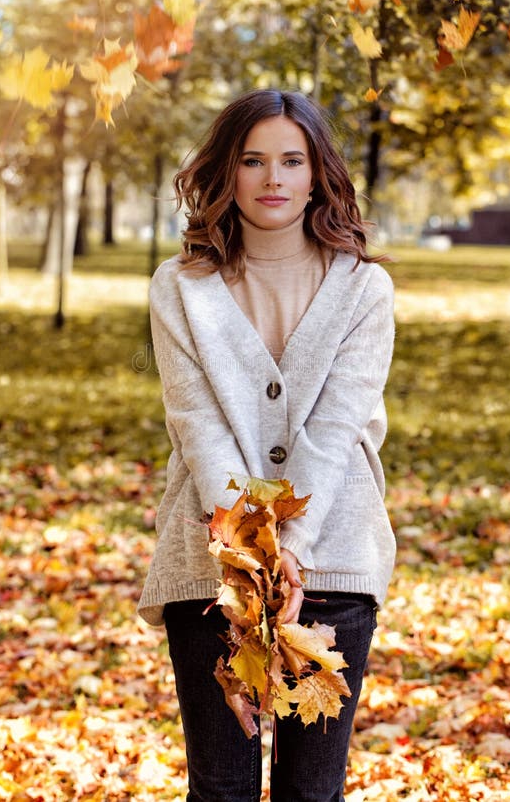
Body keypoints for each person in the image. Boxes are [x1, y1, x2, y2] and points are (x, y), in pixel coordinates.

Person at [137, 89, 396, 802]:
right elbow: (197, 423)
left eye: (292, 160)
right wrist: (251, 552)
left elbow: (336, 427)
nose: (273, 179)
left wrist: (295, 544)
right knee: (220, 787)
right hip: (213, 561)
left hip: (335, 557)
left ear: (318, 173)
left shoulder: (364, 291)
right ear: (228, 171)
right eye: (253, 161)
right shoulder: (181, 287)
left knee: (312, 792)